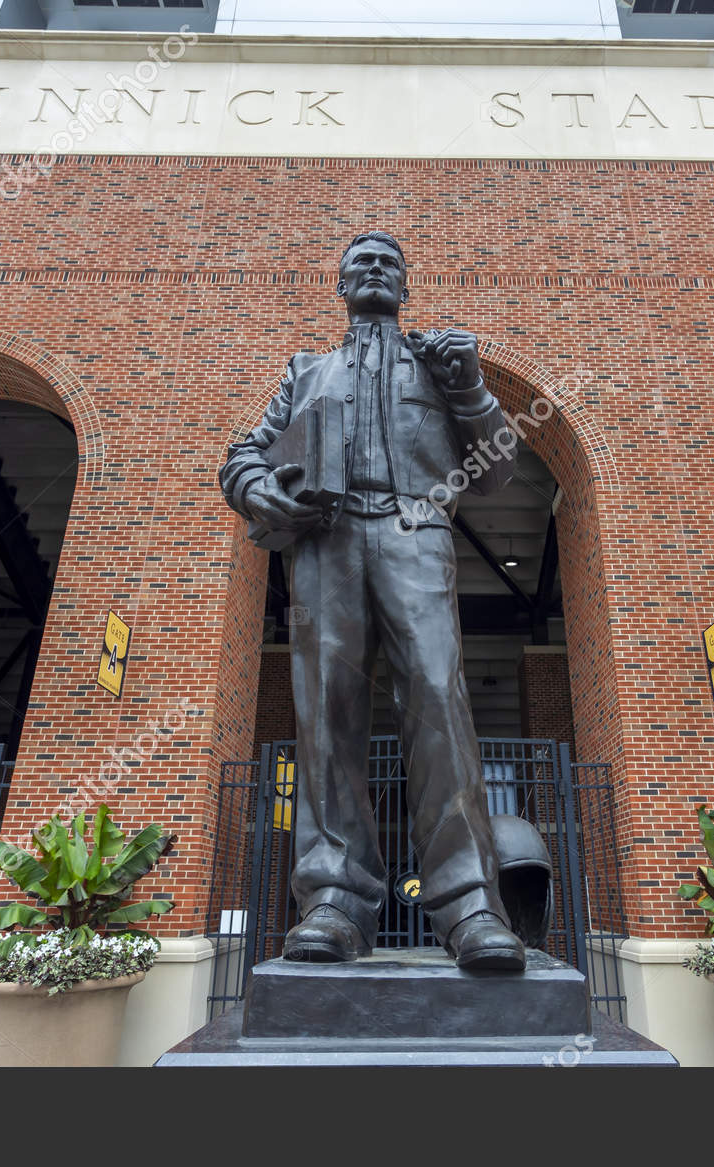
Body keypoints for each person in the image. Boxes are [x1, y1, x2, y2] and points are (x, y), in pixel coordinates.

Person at [219, 230, 526, 970]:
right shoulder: (306, 369)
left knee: (436, 694)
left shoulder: (441, 362)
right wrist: (263, 489)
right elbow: (242, 456)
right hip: (323, 539)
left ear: (404, 285)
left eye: (390, 262)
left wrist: (472, 386)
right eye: (362, 262)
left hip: (415, 527)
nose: (377, 269)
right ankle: (334, 899)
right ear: (342, 285)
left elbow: (498, 471)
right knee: (327, 710)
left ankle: (469, 903)